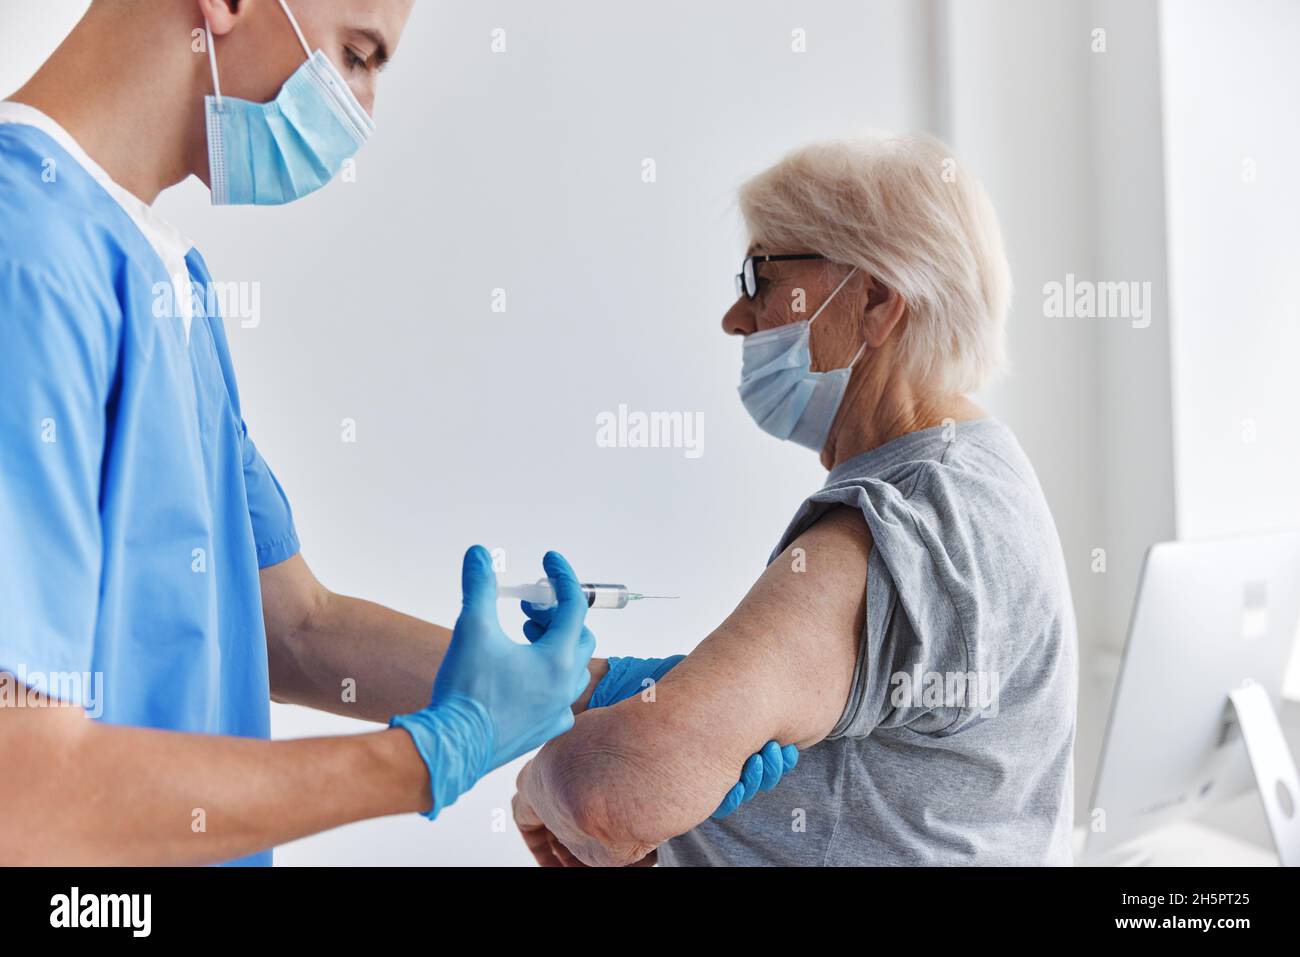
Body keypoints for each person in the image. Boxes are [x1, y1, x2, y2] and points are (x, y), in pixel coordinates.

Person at [0, 0, 780, 866]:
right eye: (358, 54)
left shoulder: (163, 277)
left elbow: (293, 627)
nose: (359, 113)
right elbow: (24, 788)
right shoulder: (24, 259)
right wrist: (425, 757)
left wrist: (583, 694)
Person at [512, 133, 1079, 866]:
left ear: (874, 299)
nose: (735, 317)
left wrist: (538, 779)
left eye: (760, 277)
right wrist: (624, 691)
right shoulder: (981, 475)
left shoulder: (898, 523)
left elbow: (610, 797)